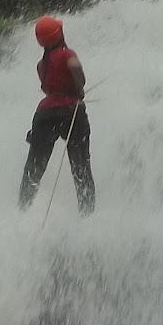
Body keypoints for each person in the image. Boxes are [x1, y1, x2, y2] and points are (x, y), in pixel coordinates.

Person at [18, 16, 95, 216]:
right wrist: (79, 91)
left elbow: (48, 89)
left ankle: (22, 211)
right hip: (71, 113)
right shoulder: (68, 54)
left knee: (33, 169)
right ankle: (87, 215)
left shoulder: (40, 66)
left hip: (44, 114)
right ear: (59, 34)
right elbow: (78, 75)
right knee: (81, 169)